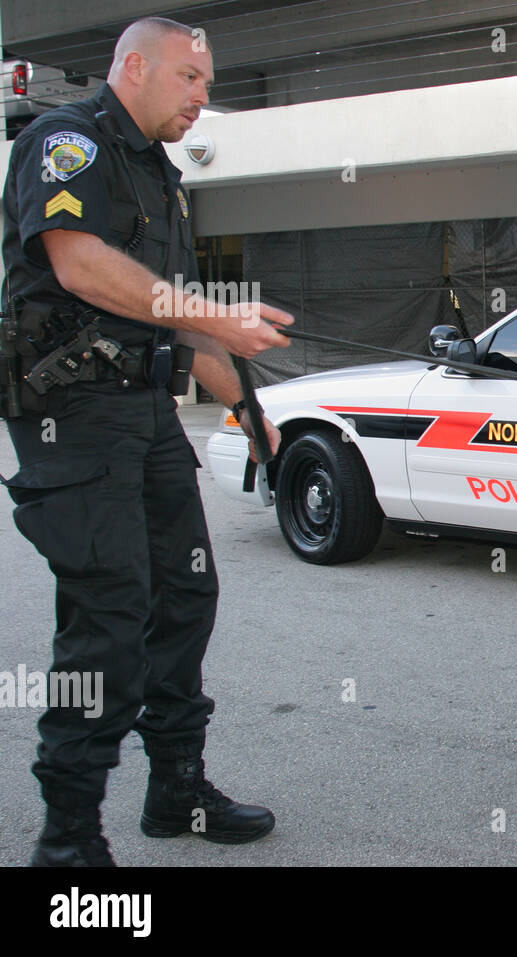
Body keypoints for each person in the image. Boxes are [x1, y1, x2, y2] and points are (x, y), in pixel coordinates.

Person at [0, 17, 293, 866]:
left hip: (146, 410)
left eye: (208, 81)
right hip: (73, 410)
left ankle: (175, 792)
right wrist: (212, 319)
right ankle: (68, 838)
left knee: (184, 597)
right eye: (190, 78)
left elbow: (193, 325)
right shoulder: (67, 142)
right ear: (134, 66)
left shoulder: (160, 178)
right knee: (109, 617)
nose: (204, 95)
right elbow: (80, 265)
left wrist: (249, 412)